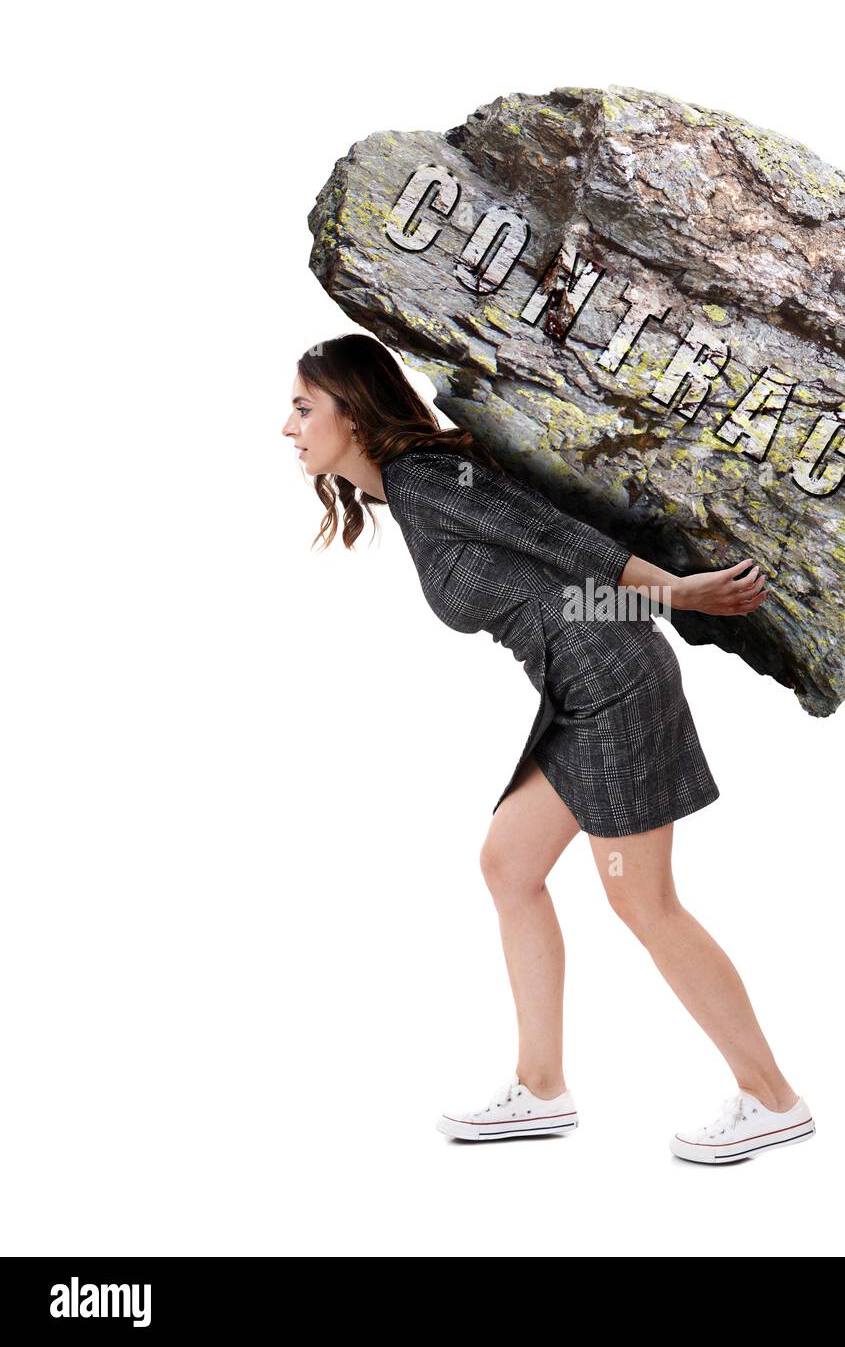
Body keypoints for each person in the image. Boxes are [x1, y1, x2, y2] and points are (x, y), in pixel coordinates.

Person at [283, 333, 814, 1164]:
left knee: (642, 901)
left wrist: (675, 595)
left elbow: (554, 534)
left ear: (352, 413)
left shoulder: (426, 479)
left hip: (607, 680)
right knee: (508, 863)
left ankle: (771, 1099)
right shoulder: (410, 493)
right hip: (584, 679)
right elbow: (551, 581)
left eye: (303, 407)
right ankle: (540, 1090)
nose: (289, 427)